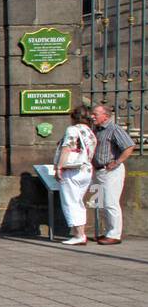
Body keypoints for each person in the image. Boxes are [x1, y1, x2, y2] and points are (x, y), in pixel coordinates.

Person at [92, 103, 135, 245]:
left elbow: (129, 146)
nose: (92, 117)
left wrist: (117, 162)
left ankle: (115, 234)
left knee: (111, 202)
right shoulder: (96, 130)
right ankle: (105, 231)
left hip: (111, 172)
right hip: (98, 171)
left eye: (96, 114)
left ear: (105, 116)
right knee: (99, 203)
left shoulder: (114, 129)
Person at [54, 105, 97, 245]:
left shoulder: (72, 129)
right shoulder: (90, 132)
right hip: (86, 169)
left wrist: (59, 167)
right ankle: (80, 233)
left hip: (72, 170)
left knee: (71, 202)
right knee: (78, 202)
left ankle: (79, 235)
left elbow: (68, 147)